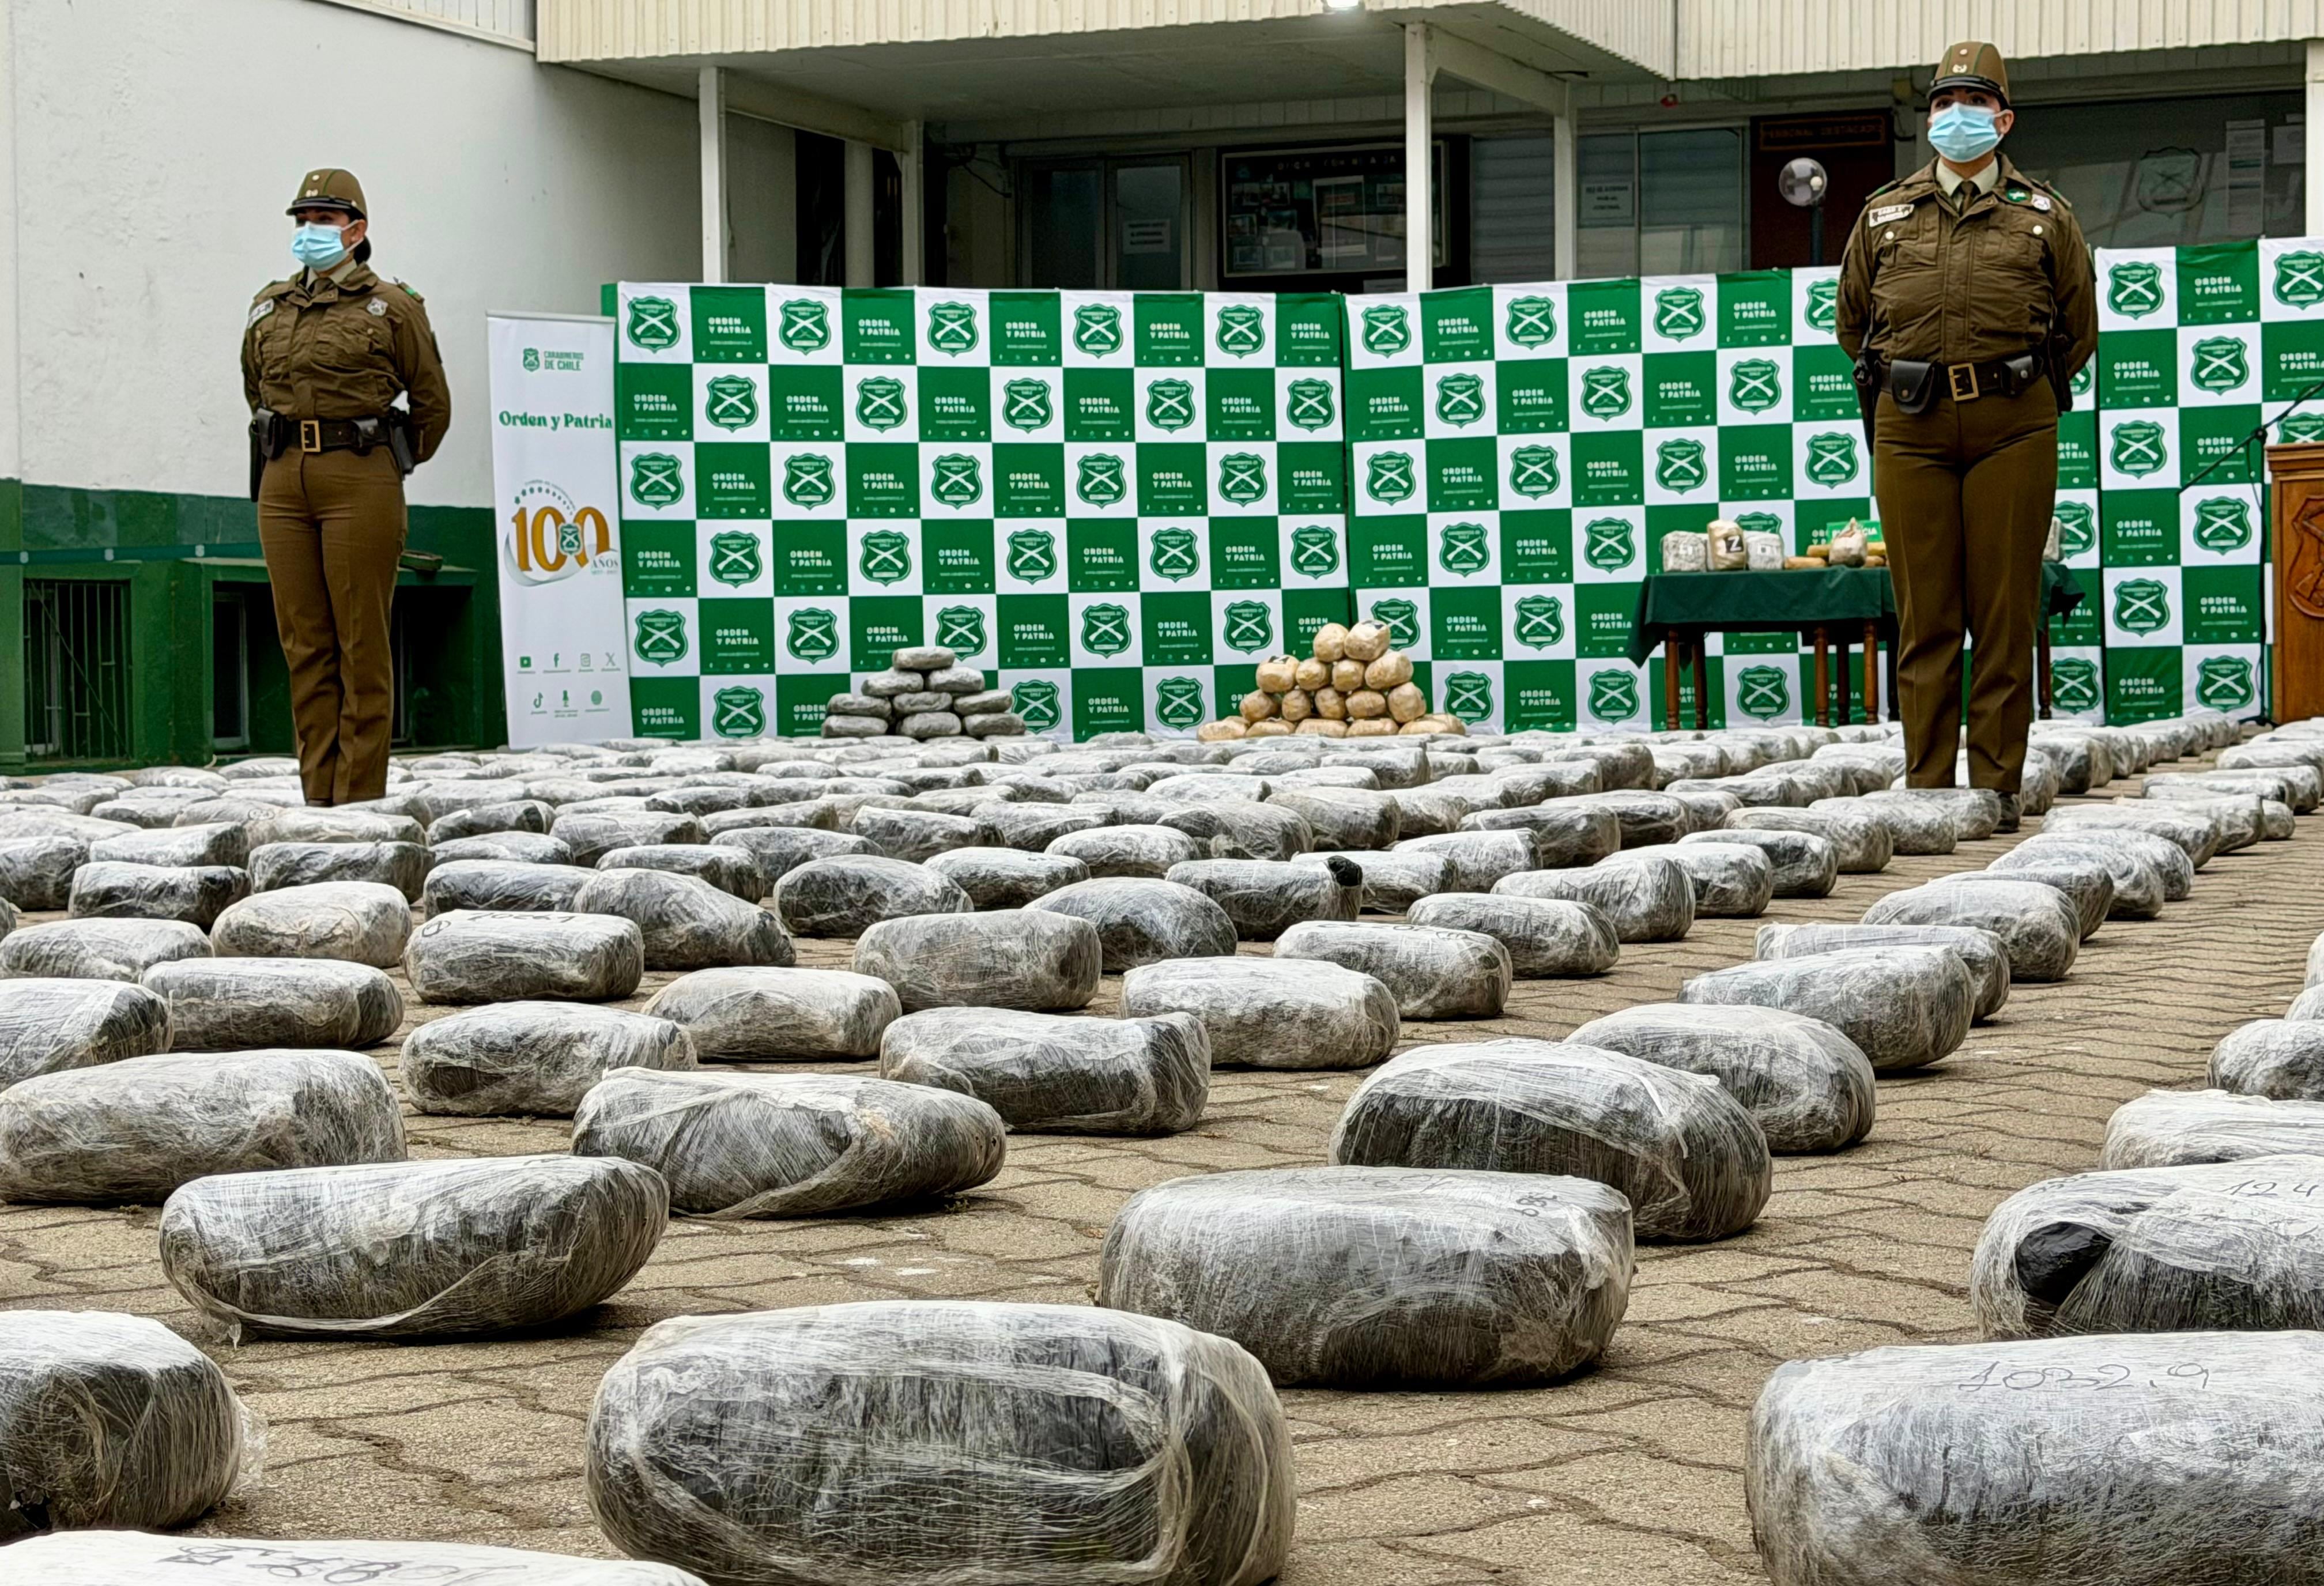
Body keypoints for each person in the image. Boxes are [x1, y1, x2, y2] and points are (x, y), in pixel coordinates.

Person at [1835, 43, 2096, 830]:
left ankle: (1996, 789)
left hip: (2013, 425)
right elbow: (1853, 324)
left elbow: (2078, 328)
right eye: (1944, 102)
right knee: (1926, 615)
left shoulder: (2045, 215)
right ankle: (1926, 791)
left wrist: (2012, 386)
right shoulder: (1883, 213)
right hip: (1909, 427)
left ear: (2003, 120)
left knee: (2005, 611)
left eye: (1974, 102)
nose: (1956, 115)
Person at [242, 168, 450, 806]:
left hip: (359, 473)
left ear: (356, 231)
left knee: (360, 642)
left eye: (325, 220)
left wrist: (385, 465)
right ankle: (317, 799)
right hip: (283, 477)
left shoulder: (393, 306)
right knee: (304, 644)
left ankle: (356, 802)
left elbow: (432, 404)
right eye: (303, 220)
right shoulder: (270, 306)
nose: (310, 230)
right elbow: (255, 388)